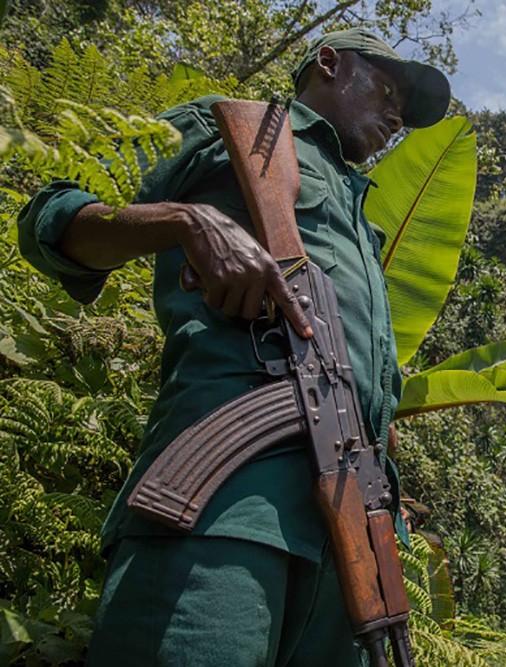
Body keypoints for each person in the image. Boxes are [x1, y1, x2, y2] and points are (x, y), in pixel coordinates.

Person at [17, 28, 450, 666]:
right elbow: (51, 216)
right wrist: (187, 221)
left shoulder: (365, 220)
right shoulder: (232, 130)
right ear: (329, 63)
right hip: (229, 505)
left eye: (405, 114)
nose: (396, 119)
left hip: (353, 547)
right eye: (389, 91)